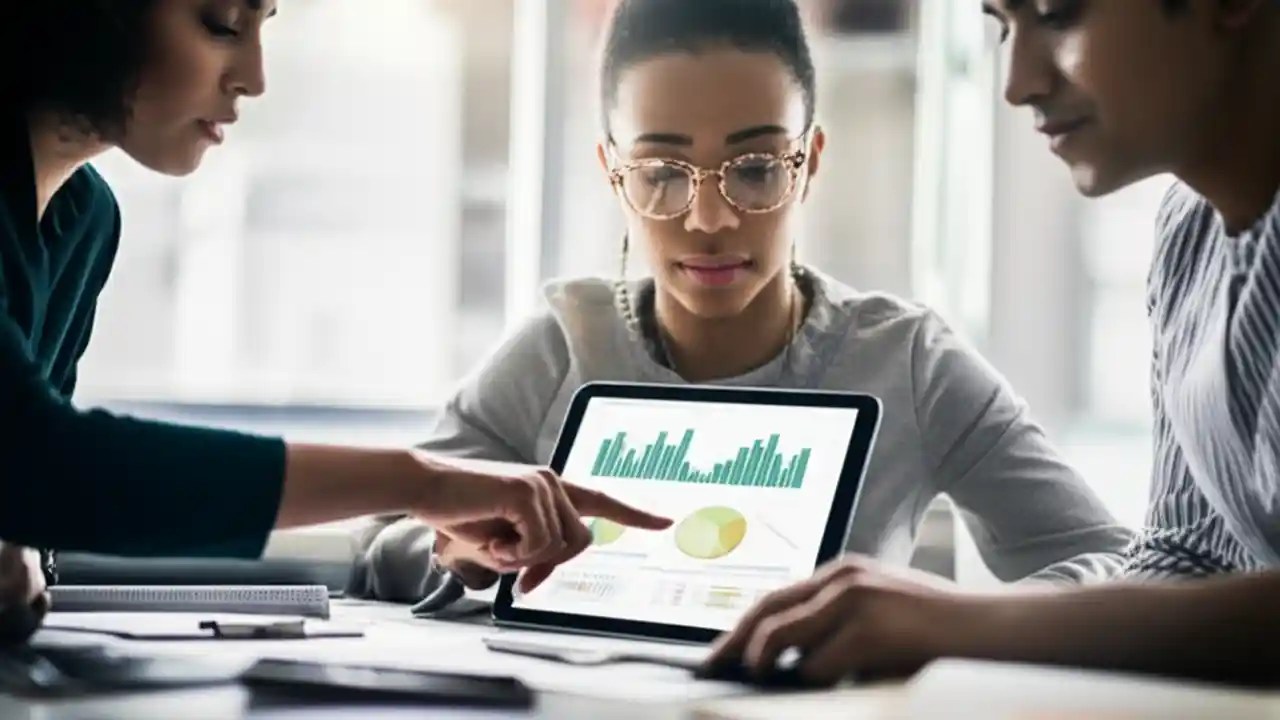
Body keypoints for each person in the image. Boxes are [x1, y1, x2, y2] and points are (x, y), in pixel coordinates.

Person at [348, 0, 1132, 610]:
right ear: (611, 172)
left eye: (756, 168)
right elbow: (381, 541)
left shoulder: (907, 362)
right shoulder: (561, 347)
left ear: (810, 160)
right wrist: (458, 554)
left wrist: (946, 617)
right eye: (661, 173)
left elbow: (1117, 562)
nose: (711, 221)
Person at [0, 0, 671, 645]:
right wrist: (422, 483)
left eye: (264, 27)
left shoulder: (82, 222)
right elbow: (37, 463)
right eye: (222, 25)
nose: (255, 79)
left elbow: (30, 492)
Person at [705, 0, 1280, 687]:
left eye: (1057, 14)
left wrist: (960, 623)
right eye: (1004, 26)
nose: (1017, 83)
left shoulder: (907, 351)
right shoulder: (1191, 230)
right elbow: (1191, 557)